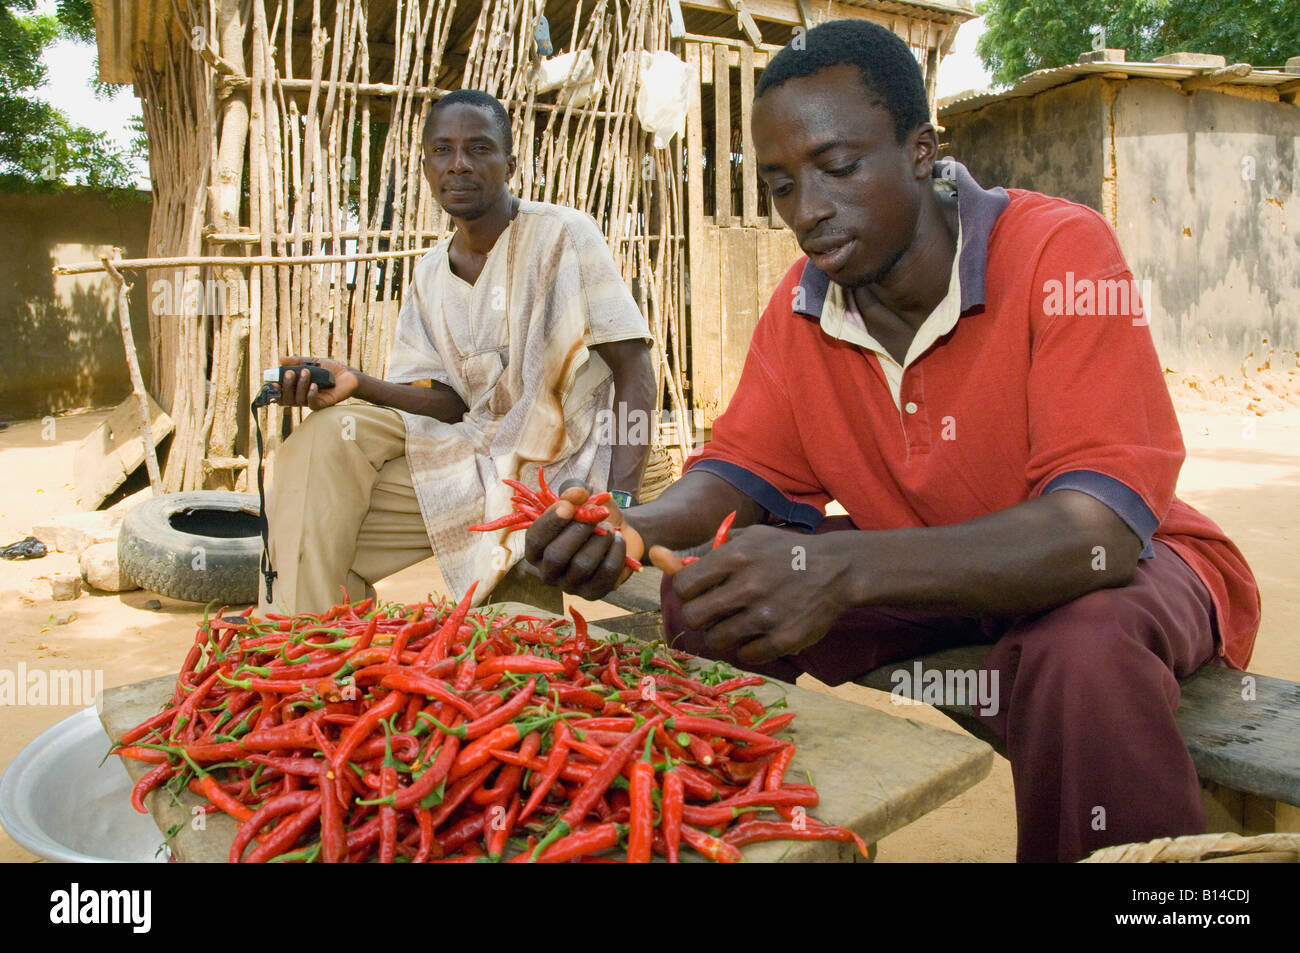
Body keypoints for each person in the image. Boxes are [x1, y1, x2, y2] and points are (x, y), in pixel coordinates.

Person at [523, 20, 1261, 862]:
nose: (808, 210)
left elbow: (1098, 537)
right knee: (710, 598)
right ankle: (743, 838)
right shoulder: (802, 308)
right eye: (780, 186)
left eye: (837, 168)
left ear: (920, 150)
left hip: (1132, 566)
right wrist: (636, 527)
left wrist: (839, 569)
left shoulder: (1059, 250)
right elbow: (739, 473)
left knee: (1080, 655)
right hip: (934, 571)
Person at [260, 89, 654, 615]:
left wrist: (620, 503)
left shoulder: (562, 235)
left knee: (511, 603)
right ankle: (308, 646)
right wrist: (358, 383)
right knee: (327, 449)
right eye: (442, 151)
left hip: (559, 468)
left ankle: (309, 624)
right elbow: (447, 403)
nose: (459, 165)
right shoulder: (428, 274)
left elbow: (636, 371)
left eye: (479, 149)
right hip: (472, 455)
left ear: (510, 164)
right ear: (425, 167)